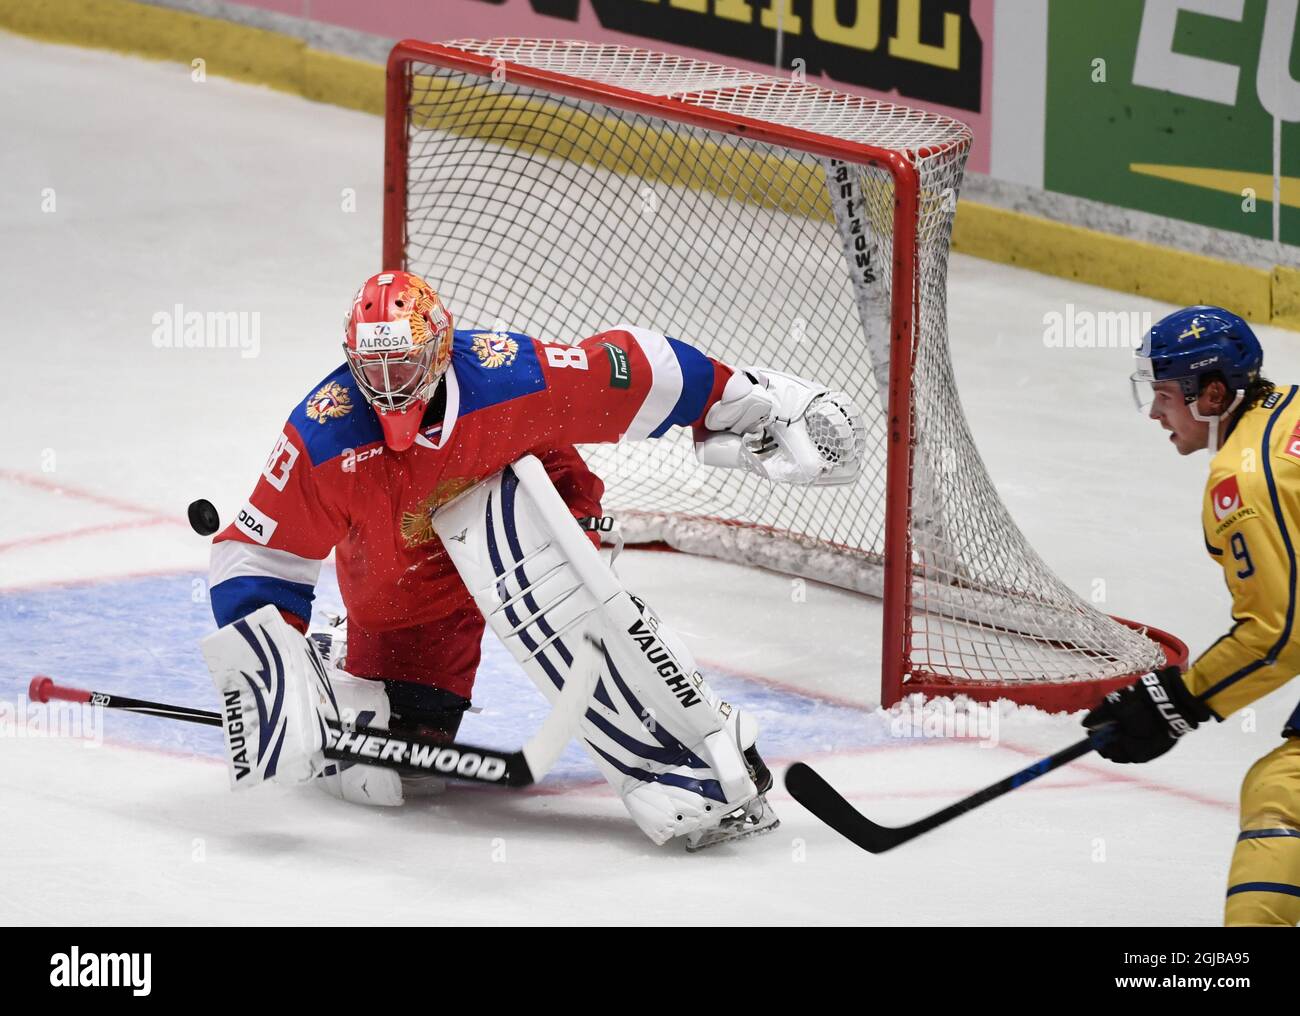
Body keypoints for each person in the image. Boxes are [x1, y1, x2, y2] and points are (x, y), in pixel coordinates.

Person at [206, 269, 862, 849]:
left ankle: (687, 760)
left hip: (531, 510)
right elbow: (260, 553)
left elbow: (629, 370)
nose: (388, 386)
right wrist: (271, 674)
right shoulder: (323, 432)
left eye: (403, 365)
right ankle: (343, 662)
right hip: (405, 582)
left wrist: (737, 396)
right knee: (399, 769)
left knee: (561, 602)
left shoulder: (505, 374)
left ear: (438, 349)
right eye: (372, 370)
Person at [1085, 304, 1300, 924]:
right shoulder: (1285, 406)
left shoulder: (1244, 481)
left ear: (1212, 395)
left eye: (1164, 397)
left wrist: (1177, 702)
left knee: (1283, 794)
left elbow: (1279, 633)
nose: (1154, 413)